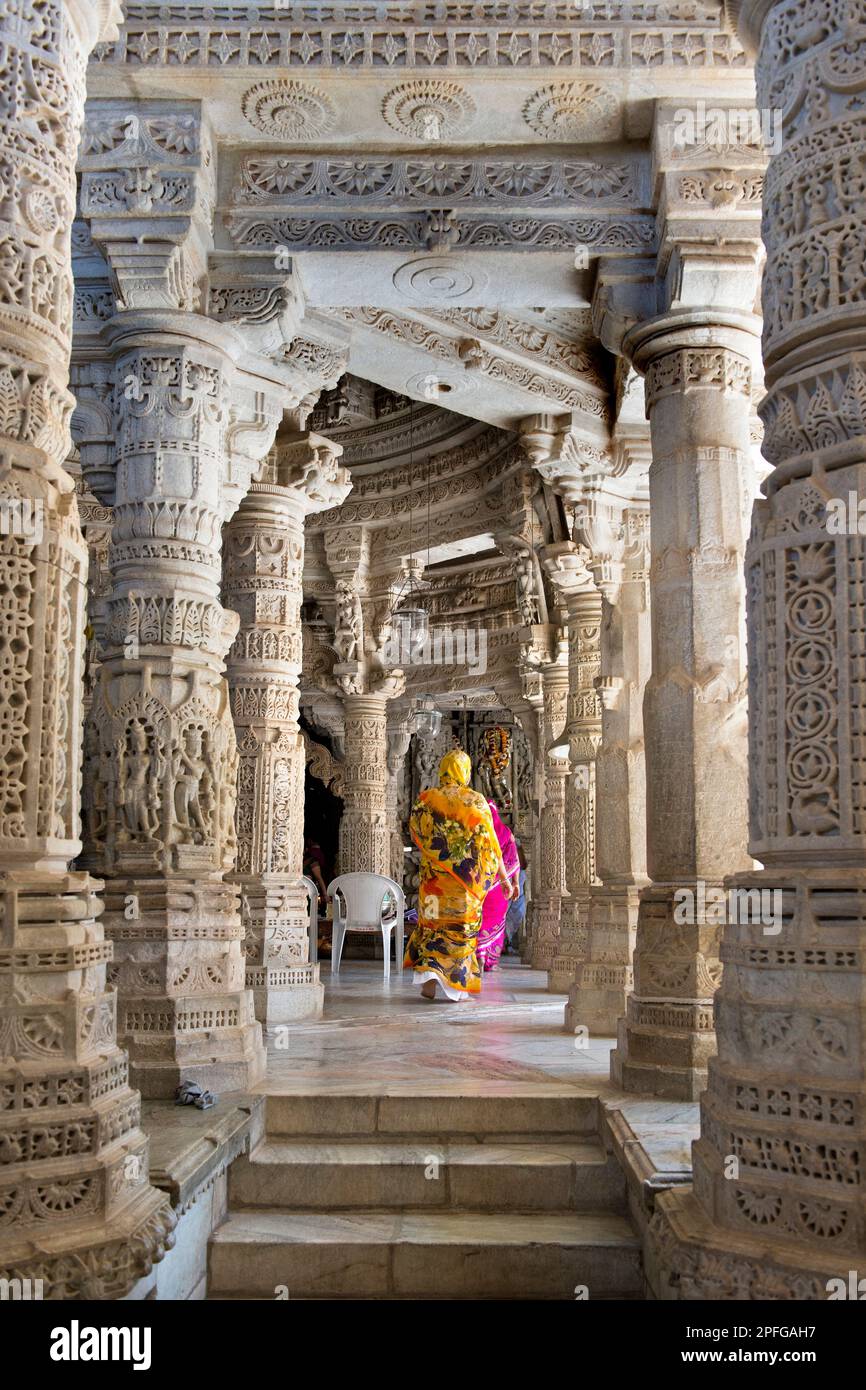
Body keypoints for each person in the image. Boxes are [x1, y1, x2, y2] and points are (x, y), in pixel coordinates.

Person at [404, 750, 517, 1001]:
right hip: (463, 888)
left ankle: (429, 980)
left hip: (433, 885)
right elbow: (491, 846)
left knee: (432, 928)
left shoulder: (426, 800)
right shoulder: (475, 802)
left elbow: (415, 834)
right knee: (460, 932)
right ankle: (456, 987)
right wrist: (505, 879)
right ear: (465, 772)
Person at [476, 801, 520, 971]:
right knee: (495, 922)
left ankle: (478, 955)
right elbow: (513, 859)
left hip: (479, 888)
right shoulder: (505, 833)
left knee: (478, 921)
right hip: (500, 887)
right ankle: (489, 961)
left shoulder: (478, 832)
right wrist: (514, 883)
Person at [503, 840, 528, 954]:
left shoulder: (521, 871)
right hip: (507, 893)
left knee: (516, 917)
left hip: (518, 898)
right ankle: (503, 944)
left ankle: (506, 941)